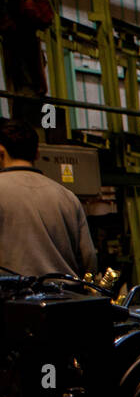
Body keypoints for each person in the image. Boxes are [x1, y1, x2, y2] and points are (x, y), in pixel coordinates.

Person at [0, 118, 96, 277]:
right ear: (37, 153)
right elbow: (88, 258)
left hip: (14, 298)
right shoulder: (67, 196)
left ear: (1, 152)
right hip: (67, 296)